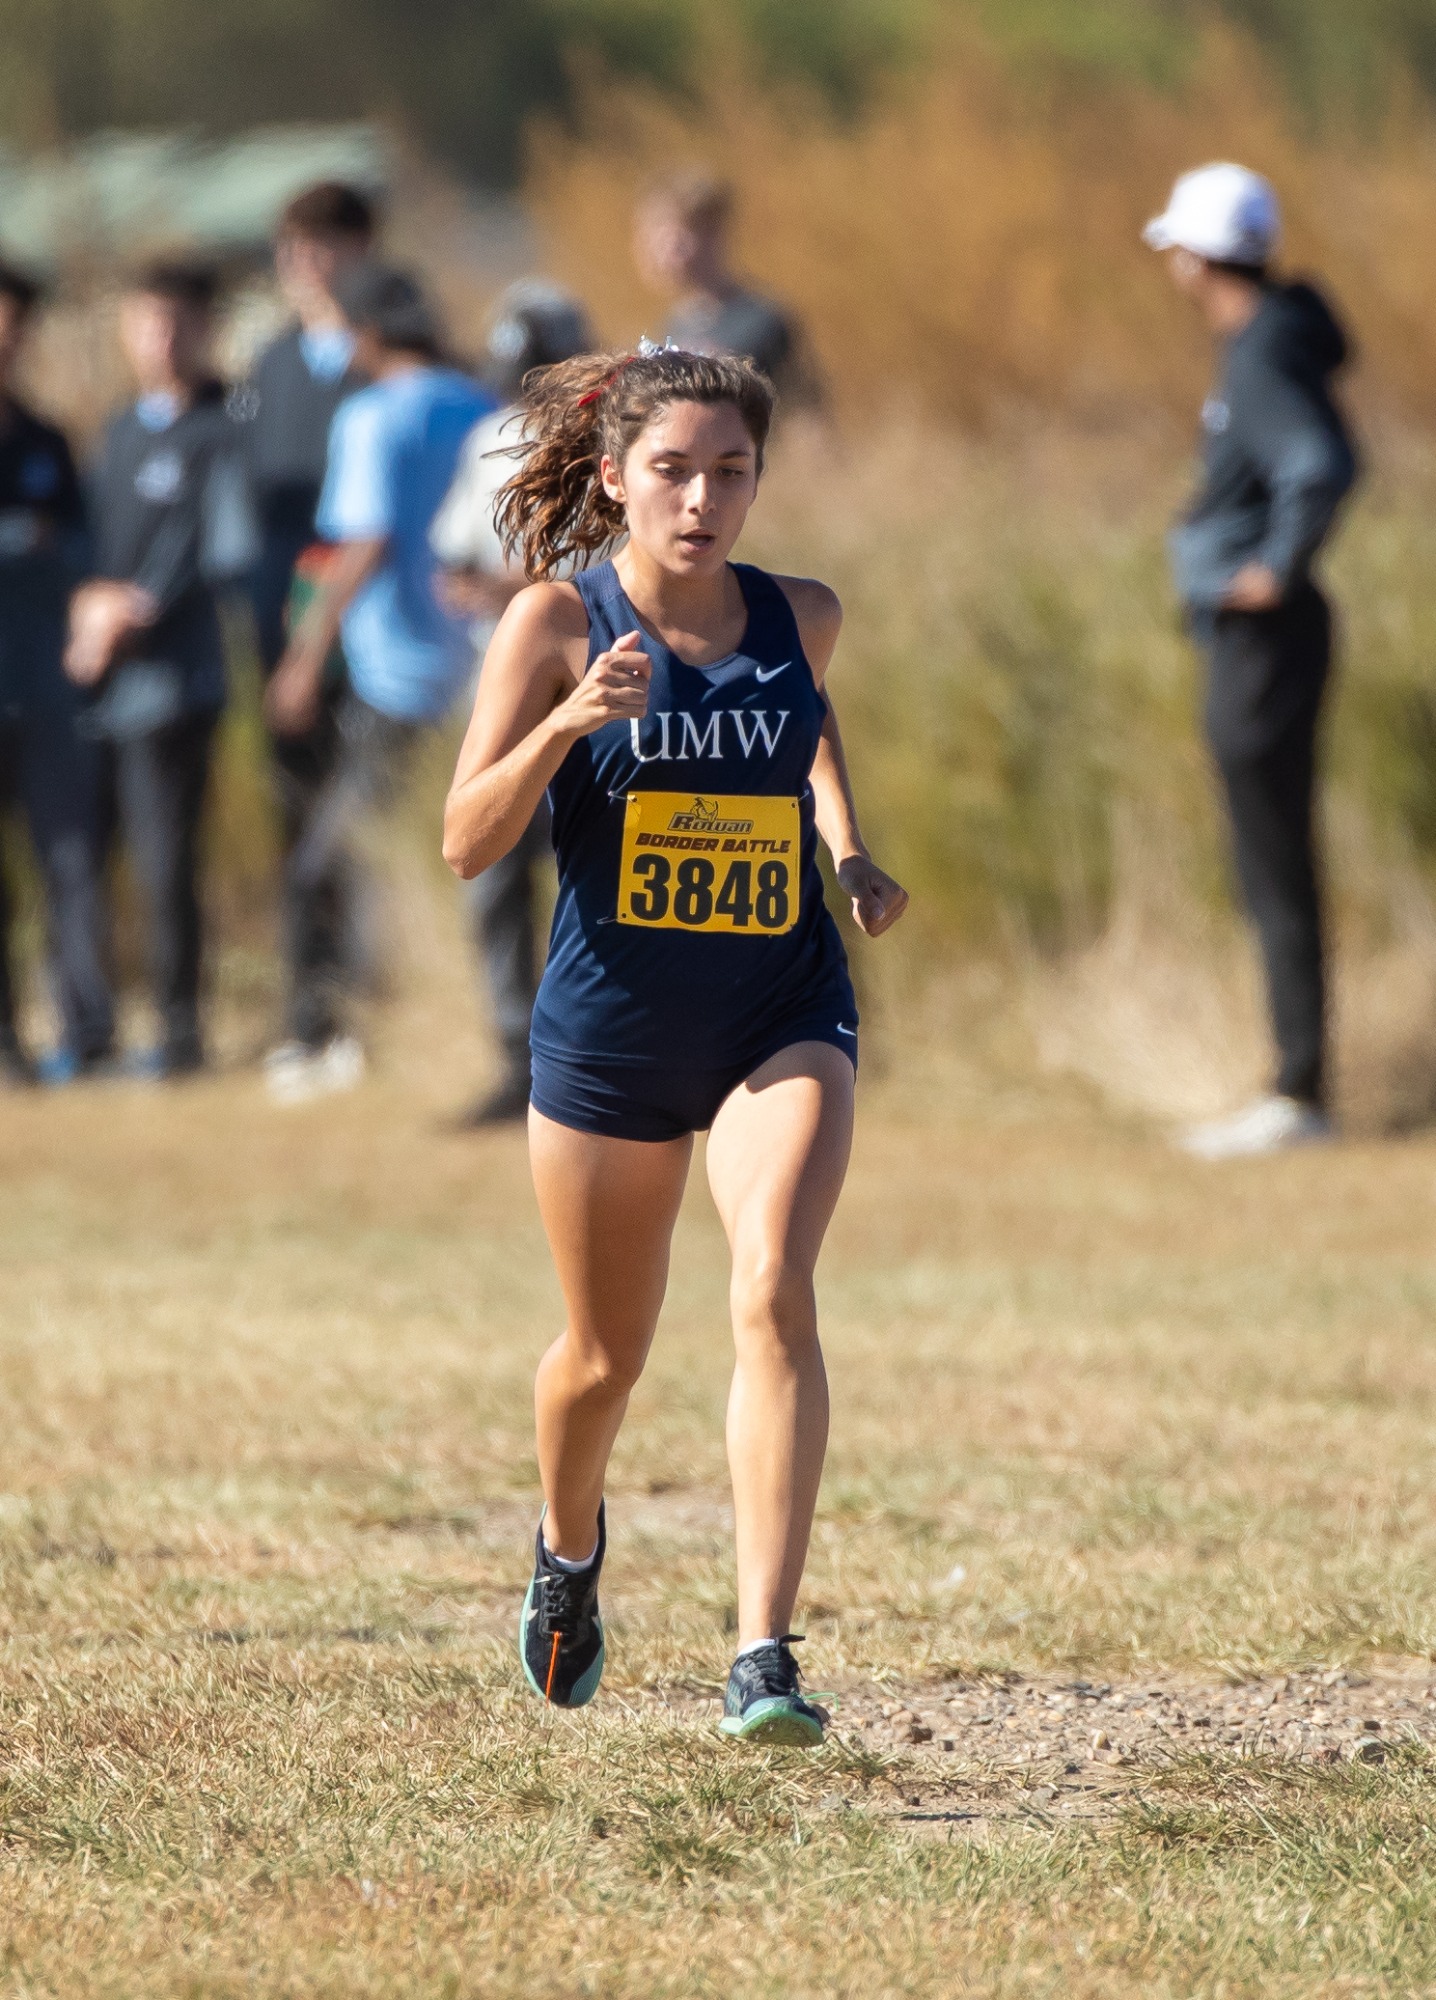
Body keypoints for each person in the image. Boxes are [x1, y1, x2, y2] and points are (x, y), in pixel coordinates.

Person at [442, 345, 908, 1741]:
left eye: (731, 472)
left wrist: (847, 844)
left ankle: (764, 1653)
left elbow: (800, 724)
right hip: (614, 1037)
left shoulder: (802, 612)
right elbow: (467, 842)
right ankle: (568, 1552)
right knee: (603, 1354)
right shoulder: (555, 624)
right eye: (673, 472)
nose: (702, 500)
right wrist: (570, 723)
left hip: (780, 1008)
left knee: (771, 1290)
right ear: (613, 478)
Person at [1144, 164, 1358, 1160]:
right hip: (1259, 641)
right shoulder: (1269, 338)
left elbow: (1317, 462)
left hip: (1262, 642)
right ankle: (1295, 1078)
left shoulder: (1261, 353)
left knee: (1271, 860)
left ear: (1195, 255)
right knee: (1268, 853)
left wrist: (1273, 565)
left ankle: (1295, 1088)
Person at [265, 263, 495, 1083]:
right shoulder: (482, 403)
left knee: (334, 859)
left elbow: (361, 541)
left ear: (364, 332)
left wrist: (303, 655)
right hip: (481, 677)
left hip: (396, 678)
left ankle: (332, 1029)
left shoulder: (371, 417)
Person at [66, 261, 258, 1079]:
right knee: (82, 858)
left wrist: (126, 610)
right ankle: (89, 1025)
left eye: (178, 321)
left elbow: (214, 552)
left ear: (205, 328)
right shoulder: (117, 431)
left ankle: (180, 1031)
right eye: (148, 321)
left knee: (164, 860)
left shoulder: (223, 430)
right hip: (97, 684)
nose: (163, 338)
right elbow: (88, 545)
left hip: (176, 684)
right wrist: (87, 606)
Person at [431, 280, 596, 1125]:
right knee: (492, 872)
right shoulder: (490, 439)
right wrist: (487, 589)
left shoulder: (623, 446)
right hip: (500, 690)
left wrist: (539, 593)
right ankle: (514, 1054)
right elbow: (452, 561)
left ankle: (595, 1051)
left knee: (590, 871)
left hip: (599, 697)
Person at [238, 181, 375, 1085]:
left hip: (369, 641)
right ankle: (307, 1012)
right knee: (298, 822)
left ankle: (365, 1007)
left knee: (361, 826)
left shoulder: (385, 361)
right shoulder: (270, 366)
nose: (305, 266)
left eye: (322, 247)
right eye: (292, 249)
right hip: (282, 631)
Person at [0, 262, 113, 1085]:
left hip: (44, 690)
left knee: (71, 863)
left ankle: (89, 1034)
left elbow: (82, 553)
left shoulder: (47, 444)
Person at [633, 174, 820, 404]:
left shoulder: (762, 323)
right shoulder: (672, 327)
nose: (657, 253)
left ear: (711, 235)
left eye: (670, 238)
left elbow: (805, 412)